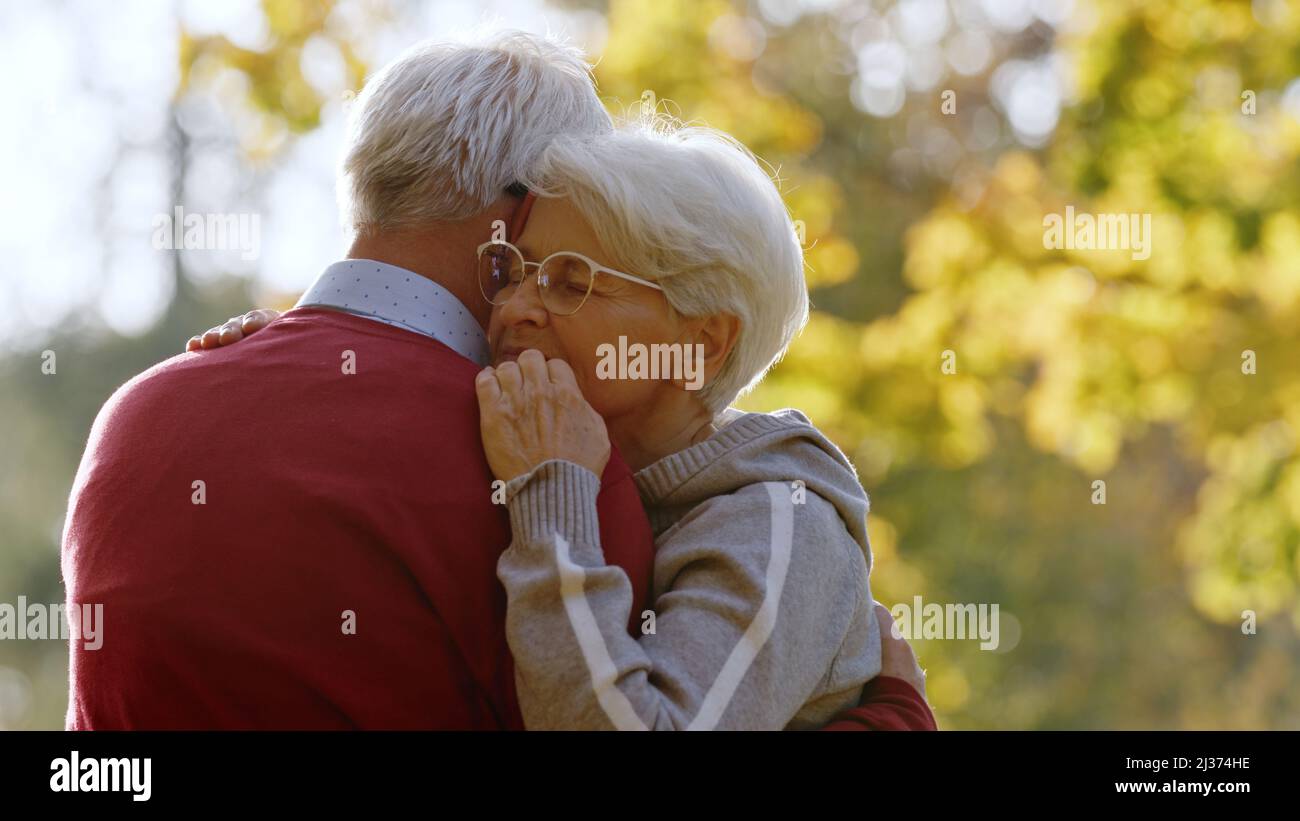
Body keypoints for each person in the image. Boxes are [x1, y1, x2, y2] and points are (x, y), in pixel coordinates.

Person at [188, 122, 939, 729]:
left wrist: (551, 494)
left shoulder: (780, 520)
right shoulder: (546, 432)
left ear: (700, 343)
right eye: (513, 269)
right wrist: (289, 357)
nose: (515, 307)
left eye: (571, 281)